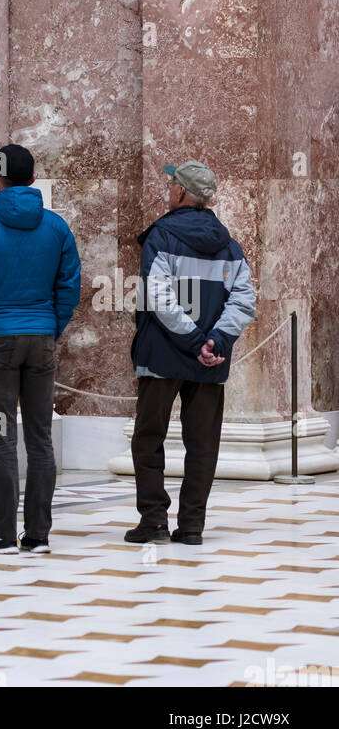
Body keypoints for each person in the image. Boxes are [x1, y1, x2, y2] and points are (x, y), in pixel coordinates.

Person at [0, 143, 81, 554]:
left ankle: (3, 533)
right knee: (40, 438)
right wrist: (51, 328)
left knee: (1, 435)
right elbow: (69, 287)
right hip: (40, 342)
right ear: (33, 179)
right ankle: (38, 535)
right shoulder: (56, 228)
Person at [125, 160, 256, 546]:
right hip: (210, 360)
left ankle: (154, 521)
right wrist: (216, 341)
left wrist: (196, 342)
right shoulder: (230, 246)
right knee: (202, 444)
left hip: (163, 355)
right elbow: (244, 301)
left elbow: (158, 298)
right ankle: (192, 526)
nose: (169, 189)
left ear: (181, 192)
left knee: (148, 438)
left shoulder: (161, 237)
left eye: (172, 184)